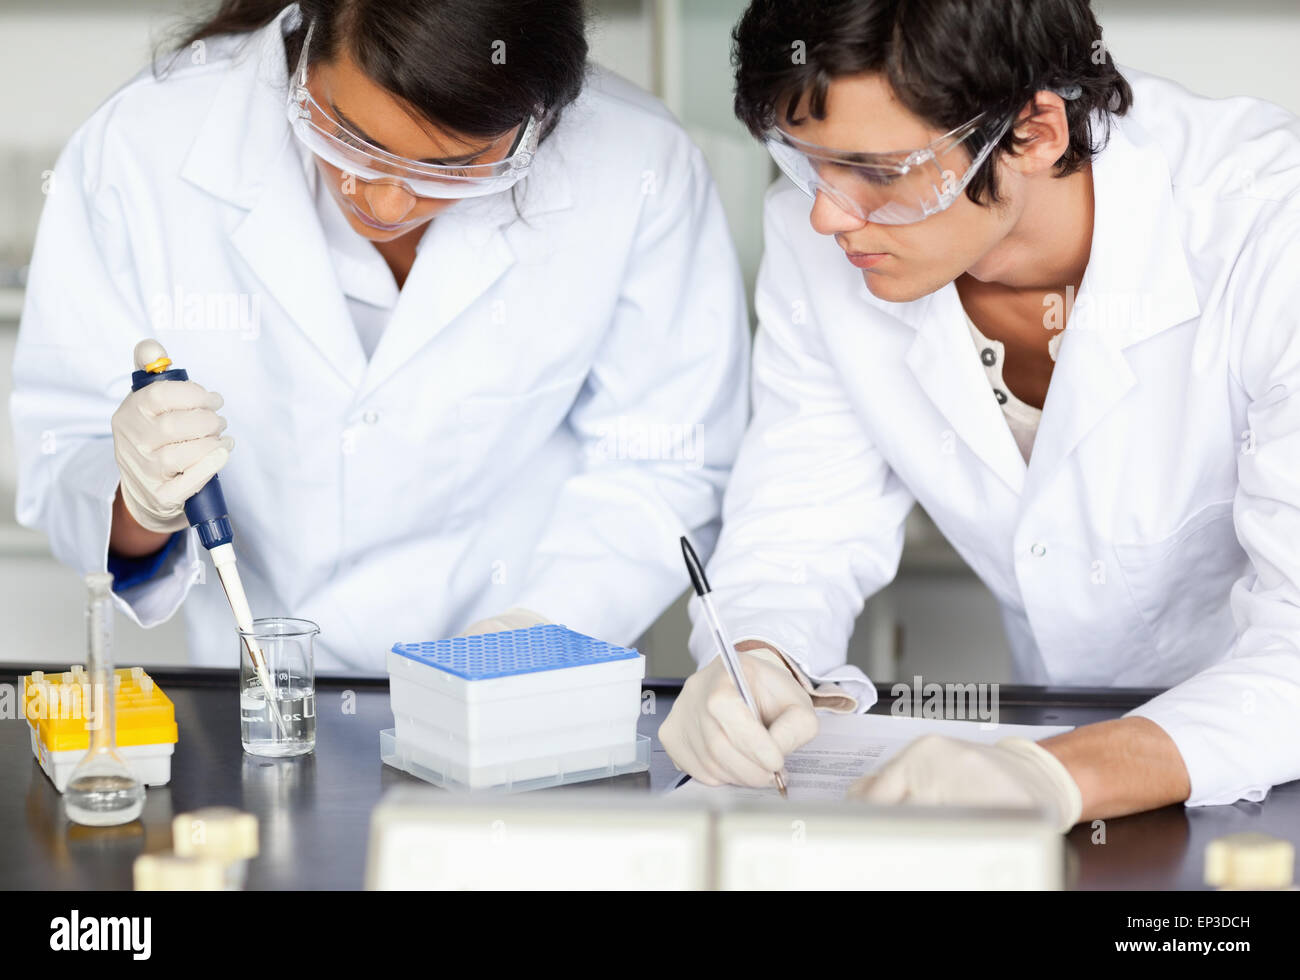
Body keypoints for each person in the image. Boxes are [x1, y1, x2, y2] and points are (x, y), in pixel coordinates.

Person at [660, 0, 1300, 828]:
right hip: (1048, 758)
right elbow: (801, 532)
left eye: (880, 173)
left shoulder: (1266, 230)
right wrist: (754, 660)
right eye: (805, 160)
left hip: (1267, 769)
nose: (827, 213)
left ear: (1034, 133)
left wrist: (1054, 776)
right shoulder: (818, 238)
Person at [11, 0, 749, 669]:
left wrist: (531, 640)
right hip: (259, 691)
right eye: (350, 137)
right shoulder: (145, 145)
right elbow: (63, 453)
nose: (390, 202)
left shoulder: (637, 165)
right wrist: (140, 505)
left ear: (539, 122)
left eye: (453, 166)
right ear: (307, 53)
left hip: (527, 691)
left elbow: (663, 465)